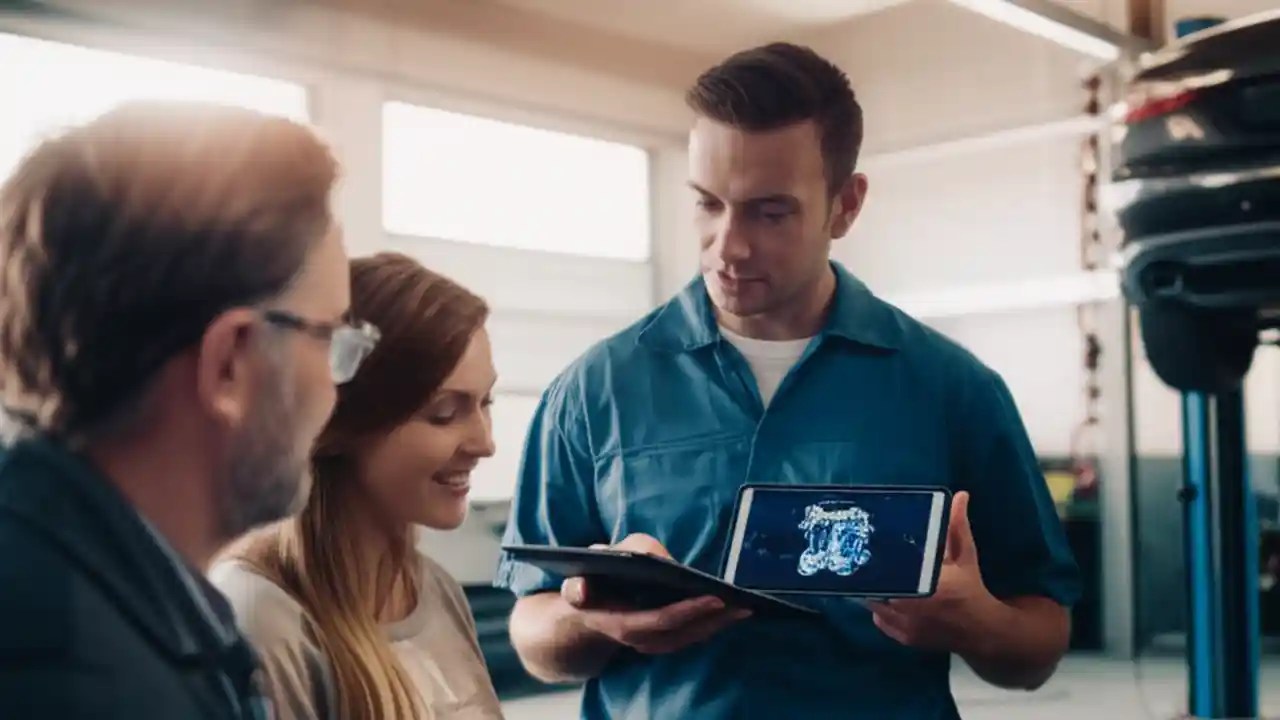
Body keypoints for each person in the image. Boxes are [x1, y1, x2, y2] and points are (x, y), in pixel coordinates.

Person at [495, 42, 1082, 719]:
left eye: (770, 212)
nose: (729, 245)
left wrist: (975, 621)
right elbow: (532, 628)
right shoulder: (594, 391)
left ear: (846, 204)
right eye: (708, 204)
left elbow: (1042, 638)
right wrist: (596, 622)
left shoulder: (955, 391)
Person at [0, 102, 359, 719]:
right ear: (229, 364)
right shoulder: (85, 684)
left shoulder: (73, 583)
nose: (336, 384)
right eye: (329, 338)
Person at [211, 252, 505, 720]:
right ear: (345, 422)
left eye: (485, 402)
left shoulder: (435, 590)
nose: (485, 443)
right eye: (445, 413)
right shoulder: (261, 620)